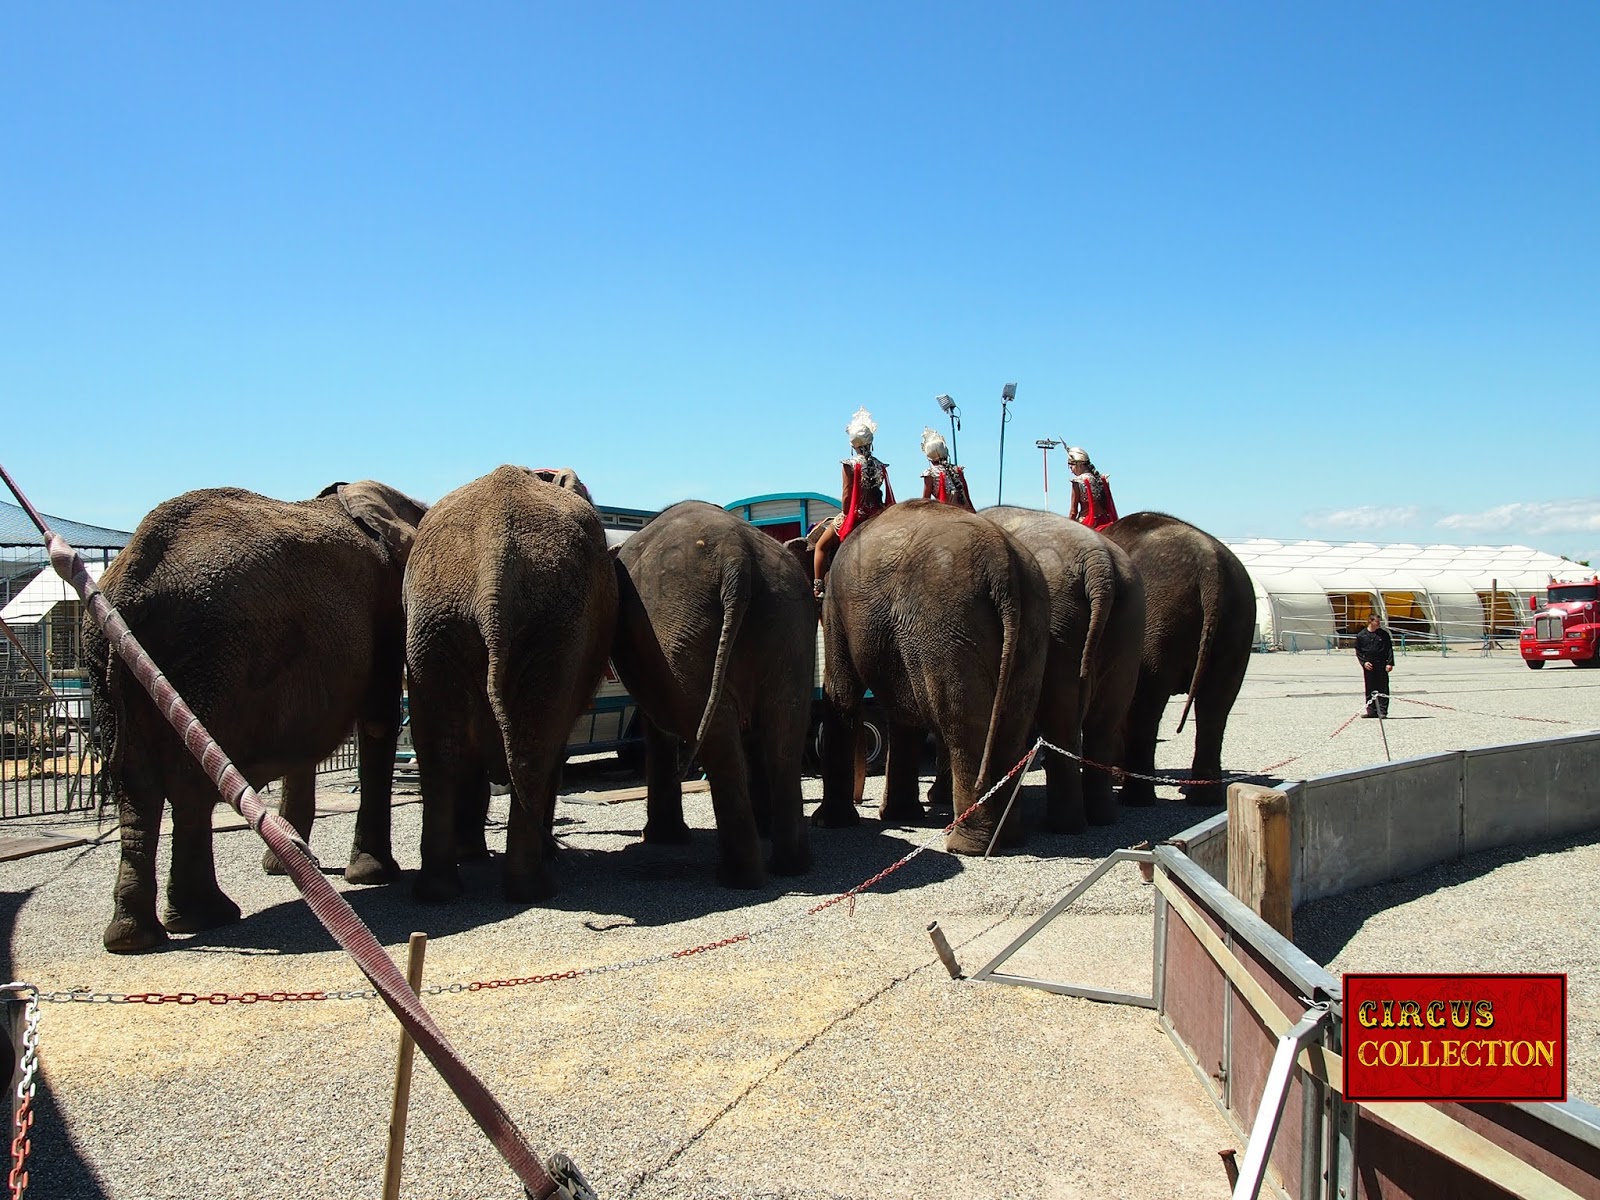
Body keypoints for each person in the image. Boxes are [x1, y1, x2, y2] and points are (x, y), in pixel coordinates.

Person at [809, 407, 895, 597]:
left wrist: (846, 513)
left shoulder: (850, 464)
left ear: (853, 444)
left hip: (858, 515)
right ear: (870, 442)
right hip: (878, 514)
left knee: (821, 545)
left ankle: (818, 588)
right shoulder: (880, 465)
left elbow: (847, 496)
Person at [920, 427, 974, 511]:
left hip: (943, 513)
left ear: (929, 458)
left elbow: (925, 501)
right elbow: (967, 496)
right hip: (963, 511)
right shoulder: (957, 470)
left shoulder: (930, 474)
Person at [1065, 447, 1118, 530]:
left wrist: (1068, 529)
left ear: (1078, 464)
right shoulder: (1102, 479)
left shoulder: (1078, 481)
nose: (1071, 471)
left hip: (1087, 524)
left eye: (1071, 467)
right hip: (1104, 521)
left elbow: (1073, 512)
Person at [1354, 613, 1395, 717]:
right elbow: (1358, 651)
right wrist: (1363, 663)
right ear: (1370, 621)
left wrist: (1390, 663)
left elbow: (1389, 649)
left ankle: (1383, 712)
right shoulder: (1361, 635)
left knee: (1383, 688)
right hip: (1369, 665)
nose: (1378, 624)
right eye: (1376, 622)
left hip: (1381, 663)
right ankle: (1371, 712)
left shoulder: (1383, 634)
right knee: (1370, 688)